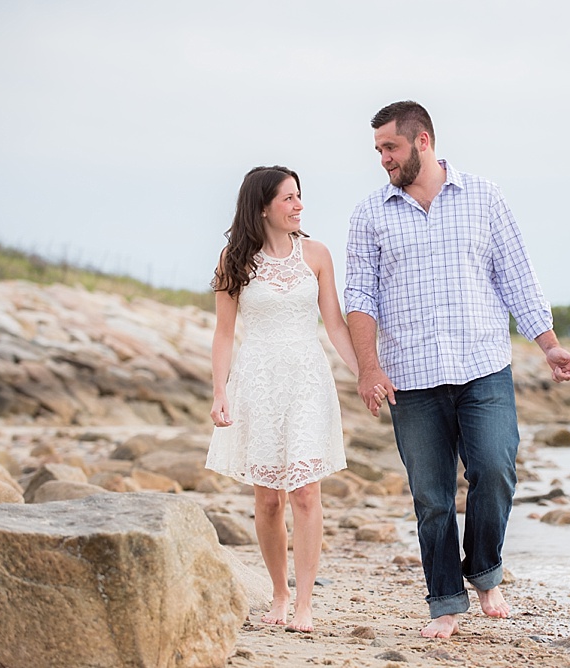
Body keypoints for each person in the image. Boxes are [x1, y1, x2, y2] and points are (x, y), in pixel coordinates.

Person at [344, 101, 570, 639]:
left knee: (495, 471)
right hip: (411, 376)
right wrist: (367, 368)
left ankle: (485, 570)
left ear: (422, 141)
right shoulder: (370, 214)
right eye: (378, 149)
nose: (383, 158)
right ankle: (446, 603)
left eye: (390, 147)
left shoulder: (483, 196)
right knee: (431, 498)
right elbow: (359, 296)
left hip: (483, 366)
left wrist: (549, 345)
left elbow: (516, 276)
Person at [206, 165, 359, 634]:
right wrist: (219, 392)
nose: (299, 206)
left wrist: (366, 374)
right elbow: (224, 333)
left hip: (307, 380)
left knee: (306, 491)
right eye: (289, 198)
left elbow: (334, 324)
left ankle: (306, 603)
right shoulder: (234, 259)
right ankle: (279, 591)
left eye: (299, 196)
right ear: (262, 207)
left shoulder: (316, 254)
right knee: (268, 498)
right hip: (257, 381)